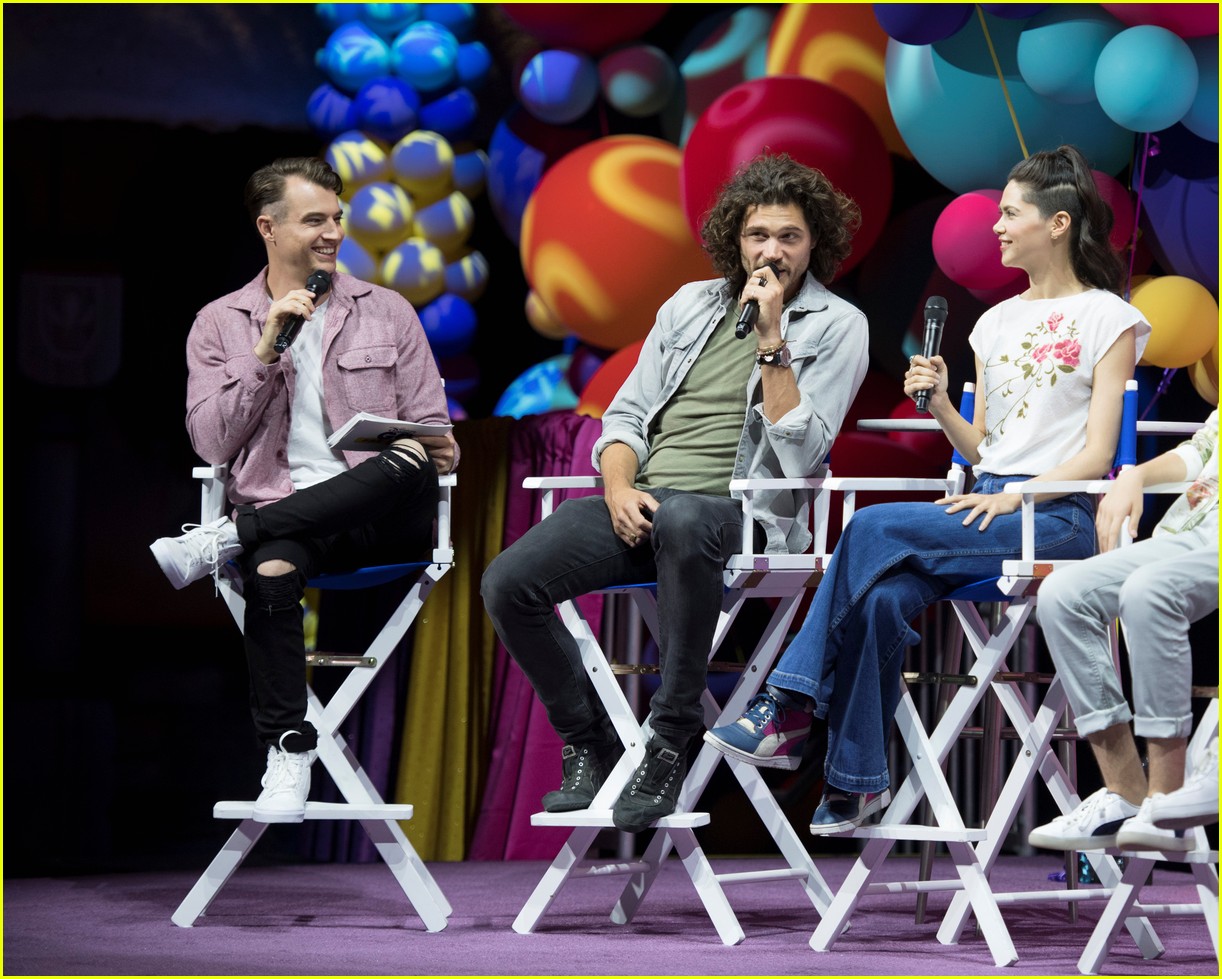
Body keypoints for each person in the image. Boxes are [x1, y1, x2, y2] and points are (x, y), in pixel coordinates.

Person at [707, 144, 1151, 834]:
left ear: (1058, 223)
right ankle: (856, 782)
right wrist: (944, 406)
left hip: (1055, 516)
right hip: (988, 505)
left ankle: (787, 701)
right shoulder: (994, 322)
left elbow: (1097, 452)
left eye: (1011, 213)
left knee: (869, 527)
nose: (996, 226)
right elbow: (986, 451)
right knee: (882, 597)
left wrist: (1017, 496)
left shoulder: (1107, 317)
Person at [480, 154, 870, 832]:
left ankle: (668, 737)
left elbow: (805, 453)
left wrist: (772, 340)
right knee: (508, 581)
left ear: (815, 246)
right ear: (735, 240)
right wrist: (619, 488)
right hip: (649, 502)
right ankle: (589, 738)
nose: (771, 251)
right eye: (758, 235)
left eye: (789, 237)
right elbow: (625, 418)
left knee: (686, 517)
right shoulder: (689, 305)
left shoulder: (838, 324)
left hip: (746, 515)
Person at [149, 157, 457, 823]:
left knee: (409, 458)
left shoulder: (386, 312)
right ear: (269, 227)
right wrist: (263, 353)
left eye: (337, 218)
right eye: (315, 220)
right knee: (271, 569)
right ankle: (287, 752)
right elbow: (210, 445)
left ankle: (225, 537)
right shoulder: (219, 323)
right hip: (284, 516)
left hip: (380, 516)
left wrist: (418, 444)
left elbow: (438, 437)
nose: (334, 233)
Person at [1027, 410, 1218, 852]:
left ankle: (1166, 801)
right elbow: (1203, 450)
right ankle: (1125, 790)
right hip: (1194, 530)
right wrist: (1135, 475)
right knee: (1062, 593)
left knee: (1148, 591)